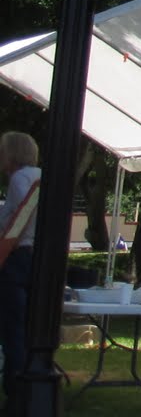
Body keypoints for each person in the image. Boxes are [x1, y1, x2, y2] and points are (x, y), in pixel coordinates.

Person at [0, 131, 41, 413]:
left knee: (12, 328)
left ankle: (15, 394)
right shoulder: (43, 176)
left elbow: (17, 224)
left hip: (17, 257)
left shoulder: (19, 180)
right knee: (30, 327)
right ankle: (31, 388)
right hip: (39, 259)